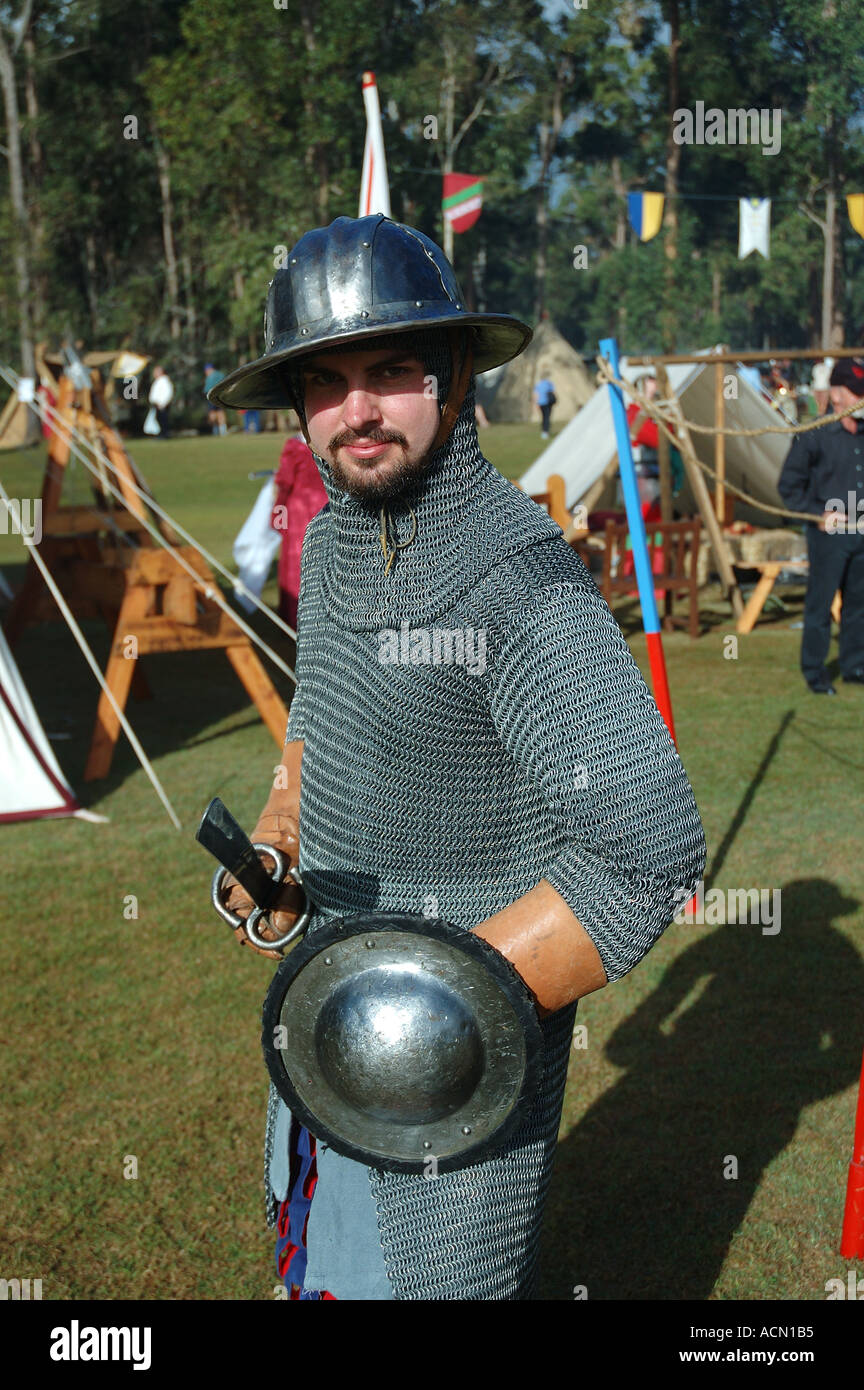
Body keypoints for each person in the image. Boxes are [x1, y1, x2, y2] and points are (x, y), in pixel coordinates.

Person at [207, 213, 706, 1301]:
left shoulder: (519, 582)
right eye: (328, 382)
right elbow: (323, 712)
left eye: (391, 371)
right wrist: (287, 829)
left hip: (448, 1077)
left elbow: (648, 847)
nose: (360, 411)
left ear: (456, 374)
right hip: (326, 1044)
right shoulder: (335, 543)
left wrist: (419, 1016)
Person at [778, 357, 864, 694]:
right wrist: (820, 514)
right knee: (820, 606)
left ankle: (855, 665)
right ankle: (815, 673)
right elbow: (789, 487)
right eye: (856, 392)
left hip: (861, 533)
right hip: (828, 536)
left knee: (858, 604)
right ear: (838, 393)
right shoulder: (813, 434)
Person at [271, 434, 328, 628]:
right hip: (327, 509)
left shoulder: (295, 448)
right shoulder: (328, 441)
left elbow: (284, 486)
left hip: (298, 515)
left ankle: (296, 618)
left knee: (296, 565)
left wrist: (277, 518)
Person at [148, 365, 173, 438]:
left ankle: (164, 434)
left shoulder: (164, 381)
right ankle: (162, 433)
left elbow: (168, 393)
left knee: (163, 420)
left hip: (161, 404)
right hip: (157, 404)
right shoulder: (158, 381)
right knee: (158, 419)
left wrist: (163, 403)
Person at [204, 364, 227, 434]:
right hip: (218, 397)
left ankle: (217, 431)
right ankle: (222, 431)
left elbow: (207, 389)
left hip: (213, 397)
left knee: (214, 414)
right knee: (220, 413)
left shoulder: (212, 376)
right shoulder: (219, 375)